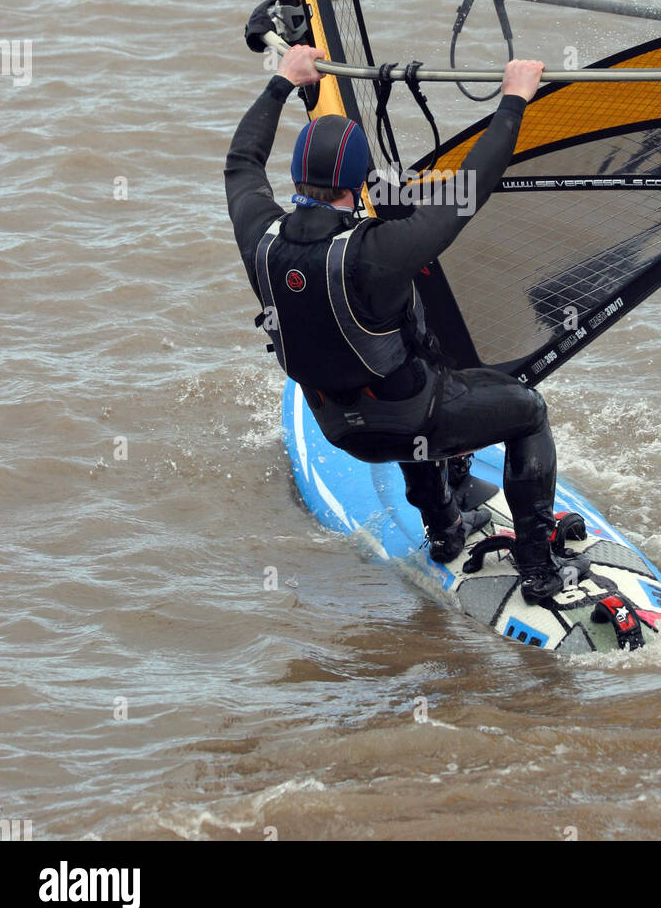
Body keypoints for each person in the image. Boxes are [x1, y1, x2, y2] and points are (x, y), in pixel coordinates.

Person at [225, 43, 568, 602]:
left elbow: (241, 164)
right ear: (361, 182)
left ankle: (444, 532)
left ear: (294, 175)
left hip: (341, 431)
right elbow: (473, 184)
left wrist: (282, 82)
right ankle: (538, 567)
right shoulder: (381, 250)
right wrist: (513, 99)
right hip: (414, 421)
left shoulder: (258, 236)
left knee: (409, 392)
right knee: (526, 413)